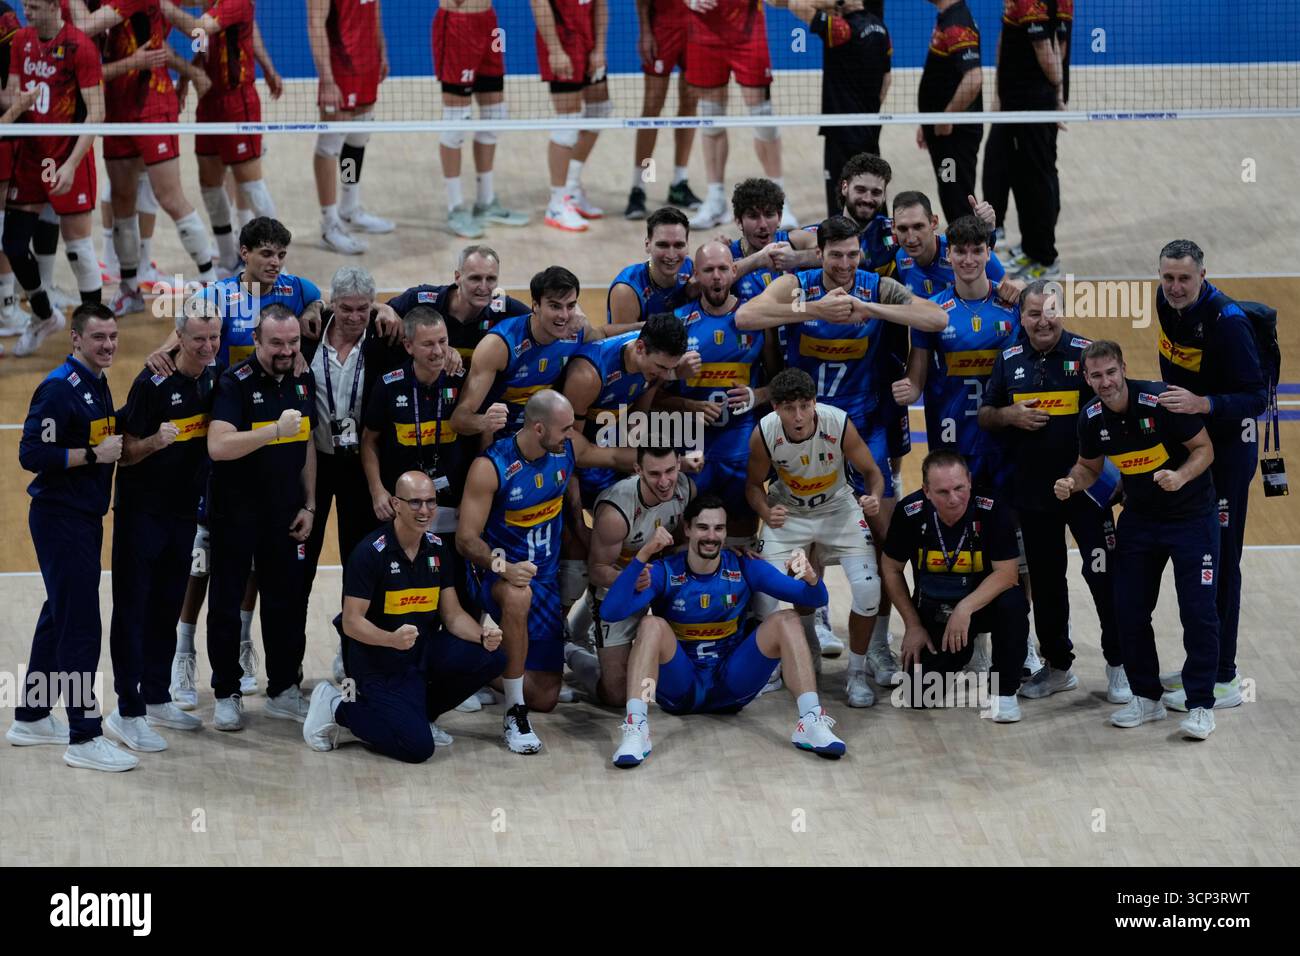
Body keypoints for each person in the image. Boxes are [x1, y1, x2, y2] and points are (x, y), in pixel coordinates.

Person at [739, 214, 945, 677]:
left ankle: (875, 645)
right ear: (821, 254)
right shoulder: (799, 284)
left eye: (853, 254)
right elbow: (745, 315)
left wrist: (872, 310)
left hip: (860, 423)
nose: (846, 263)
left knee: (881, 535)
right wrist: (815, 311)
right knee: (803, 538)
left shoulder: (874, 286)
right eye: (836, 255)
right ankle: (806, 640)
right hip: (799, 420)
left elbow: (935, 316)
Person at [603, 494, 847, 769]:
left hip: (732, 685)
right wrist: (643, 555)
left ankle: (810, 720)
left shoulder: (744, 565)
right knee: (650, 625)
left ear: (726, 532)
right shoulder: (664, 571)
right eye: (703, 528)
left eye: (719, 528)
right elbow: (610, 612)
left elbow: (816, 599)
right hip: (680, 688)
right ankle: (637, 727)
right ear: (687, 529)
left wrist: (812, 579)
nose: (711, 536)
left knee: (787, 619)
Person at [1057, 340, 1219, 740]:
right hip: (1140, 521)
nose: (1105, 381)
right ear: (1087, 378)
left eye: (1111, 372)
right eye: (1096, 375)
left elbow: (1204, 450)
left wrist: (1179, 477)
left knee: (1197, 612)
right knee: (1127, 609)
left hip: (1191, 519)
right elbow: (1088, 468)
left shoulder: (1161, 401)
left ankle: (1200, 705)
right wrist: (1071, 482)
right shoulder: (1091, 417)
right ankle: (1147, 698)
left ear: (1123, 368)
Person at [455, 389, 632, 754]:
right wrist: (504, 567)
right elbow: (466, 540)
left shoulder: (564, 449)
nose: (572, 434)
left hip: (546, 578)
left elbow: (611, 455)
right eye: (565, 428)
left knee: (546, 697)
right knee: (519, 595)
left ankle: (474, 665)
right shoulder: (492, 467)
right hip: (496, 573)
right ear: (538, 428)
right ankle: (514, 713)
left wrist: (659, 460)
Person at [979, 280, 1128, 703]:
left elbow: (1118, 410)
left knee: (1103, 577)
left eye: (1050, 311)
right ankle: (1059, 666)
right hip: (1034, 494)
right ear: (1020, 317)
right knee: (1046, 584)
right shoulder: (1008, 360)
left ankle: (1118, 665)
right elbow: (986, 416)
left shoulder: (1086, 355)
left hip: (1088, 491)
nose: (1043, 321)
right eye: (1033, 313)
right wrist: (1009, 414)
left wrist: (1122, 479)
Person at [304, 471, 508, 761]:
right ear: (396, 504)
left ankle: (421, 715)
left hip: (419, 652)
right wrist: (390, 639)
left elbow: (452, 616)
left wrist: (482, 635)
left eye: (430, 502)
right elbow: (351, 622)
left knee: (493, 656)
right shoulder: (370, 554)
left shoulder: (438, 549)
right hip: (376, 662)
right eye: (414, 503)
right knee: (418, 749)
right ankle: (338, 706)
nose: (424, 511)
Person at [9, 305, 133, 770]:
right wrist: (91, 455)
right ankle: (83, 736)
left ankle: (32, 716)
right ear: (76, 340)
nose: (108, 345)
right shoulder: (59, 389)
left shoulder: (96, 382)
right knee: (81, 625)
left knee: (58, 616)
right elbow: (30, 453)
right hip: (61, 519)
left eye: (114, 336)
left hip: (82, 518)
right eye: (98, 337)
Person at [1153, 240, 1266, 713]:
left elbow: (1255, 397)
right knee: (1200, 555)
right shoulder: (1165, 304)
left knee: (1222, 561)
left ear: (1204, 275)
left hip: (1228, 455)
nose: (1175, 288)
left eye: (1185, 278)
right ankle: (1204, 661)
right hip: (1193, 446)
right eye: (1168, 278)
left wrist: (1205, 405)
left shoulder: (1230, 324)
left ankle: (1223, 674)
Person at [106, 302, 222, 750]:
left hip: (183, 512)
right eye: (198, 338)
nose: (208, 346)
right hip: (142, 514)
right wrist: (155, 441)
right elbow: (126, 449)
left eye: (213, 337)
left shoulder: (212, 377)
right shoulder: (151, 381)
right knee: (133, 608)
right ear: (179, 338)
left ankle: (155, 696)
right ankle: (126, 710)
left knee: (168, 604)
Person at [204, 303, 317, 732]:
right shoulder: (235, 382)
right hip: (235, 512)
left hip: (286, 512)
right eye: (276, 343)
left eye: (292, 342)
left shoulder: (303, 379)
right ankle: (226, 691)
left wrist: (309, 505)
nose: (286, 350)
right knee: (227, 603)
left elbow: (306, 445)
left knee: (286, 601)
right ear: (256, 341)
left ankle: (285, 689)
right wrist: (274, 431)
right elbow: (219, 445)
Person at [744, 369, 886, 704]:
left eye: (805, 406)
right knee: (765, 594)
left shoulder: (837, 423)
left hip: (838, 507)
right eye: (789, 408)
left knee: (868, 589)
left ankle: (855, 673)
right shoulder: (764, 432)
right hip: (789, 511)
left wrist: (875, 497)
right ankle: (796, 654)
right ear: (775, 408)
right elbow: (752, 485)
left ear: (814, 404)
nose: (798, 416)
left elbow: (872, 472)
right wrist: (765, 511)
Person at [67, 0, 217, 317]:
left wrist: (191, 72)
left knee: (170, 196)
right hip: (116, 105)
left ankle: (212, 285)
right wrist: (189, 72)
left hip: (151, 103)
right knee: (122, 199)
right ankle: (129, 288)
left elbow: (84, 28)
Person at [880, 449, 1028, 721]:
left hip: (981, 605)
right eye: (943, 492)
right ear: (926, 491)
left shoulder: (992, 509)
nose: (954, 499)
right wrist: (912, 624)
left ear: (970, 481)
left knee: (1014, 603)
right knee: (917, 696)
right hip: (936, 608)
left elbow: (1007, 574)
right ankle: (965, 650)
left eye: (960, 488)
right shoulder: (910, 513)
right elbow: (890, 568)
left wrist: (965, 609)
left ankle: (1004, 692)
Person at [2, 0, 105, 358]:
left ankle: (97, 334)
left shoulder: (81, 47)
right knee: (13, 243)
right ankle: (44, 316)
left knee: (79, 249)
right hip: (31, 156)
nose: (25, 12)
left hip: (68, 156)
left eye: (33, 6)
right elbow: (15, 92)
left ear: (53, 6)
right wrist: (17, 102)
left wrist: (72, 164)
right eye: (24, 5)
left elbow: (97, 113)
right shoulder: (22, 41)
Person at [892, 215, 1019, 495]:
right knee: (957, 523)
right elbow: (917, 378)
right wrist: (907, 389)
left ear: (989, 252)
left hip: (1006, 436)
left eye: (977, 250)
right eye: (960, 251)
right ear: (948, 254)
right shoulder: (932, 310)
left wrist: (1026, 291)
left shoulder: (1014, 304)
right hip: (951, 436)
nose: (969, 259)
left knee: (1008, 527)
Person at [575, 447, 694, 706]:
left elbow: (686, 543)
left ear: (679, 465)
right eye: (654, 474)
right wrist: (628, 579)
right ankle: (570, 650)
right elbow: (596, 571)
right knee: (617, 695)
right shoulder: (615, 512)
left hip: (659, 583)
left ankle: (581, 626)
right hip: (620, 587)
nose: (664, 482)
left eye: (670, 471)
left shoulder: (686, 489)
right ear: (638, 470)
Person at [451, 265, 626, 441]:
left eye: (570, 305)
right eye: (555, 306)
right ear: (535, 305)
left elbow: (603, 335)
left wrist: (644, 327)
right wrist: (484, 422)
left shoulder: (577, 329)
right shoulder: (498, 345)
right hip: (502, 442)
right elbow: (459, 418)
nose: (564, 315)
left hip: (548, 437)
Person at [171, 0, 283, 275]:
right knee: (209, 183)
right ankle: (227, 256)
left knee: (251, 183)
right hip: (208, 100)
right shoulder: (210, 5)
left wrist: (160, 5)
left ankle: (277, 258)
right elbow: (204, 42)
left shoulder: (236, 2)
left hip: (237, 101)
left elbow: (198, 29)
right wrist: (186, 78)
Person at [666, 240, 766, 539]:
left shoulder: (758, 318)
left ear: (734, 271)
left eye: (724, 268)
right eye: (708, 270)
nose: (717, 276)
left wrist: (758, 395)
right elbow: (651, 398)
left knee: (741, 538)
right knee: (684, 537)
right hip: (691, 450)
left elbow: (782, 380)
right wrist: (688, 403)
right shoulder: (678, 322)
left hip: (740, 449)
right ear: (695, 275)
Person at [685, 0, 796, 231]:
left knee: (763, 117)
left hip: (747, 32)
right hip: (703, 33)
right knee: (711, 119)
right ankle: (716, 200)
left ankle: (779, 201)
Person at [563, 310, 689, 506]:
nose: (665, 376)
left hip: (611, 443)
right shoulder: (587, 376)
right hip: (583, 456)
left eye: (670, 369)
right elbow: (571, 450)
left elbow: (637, 419)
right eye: (661, 367)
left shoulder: (652, 359)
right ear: (640, 347)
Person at [362, 306, 468, 535]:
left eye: (443, 341)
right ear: (408, 346)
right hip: (401, 502)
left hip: (452, 500)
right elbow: (369, 441)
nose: (439, 351)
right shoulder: (389, 385)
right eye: (428, 344)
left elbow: (478, 442)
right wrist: (377, 490)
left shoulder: (461, 380)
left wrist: (470, 496)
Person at [431, 0, 528, 239]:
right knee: (456, 125)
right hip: (458, 23)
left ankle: (486, 202)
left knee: (495, 116)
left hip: (489, 22)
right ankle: (455, 208)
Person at [982, 0, 1064, 279]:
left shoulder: (1032, 4)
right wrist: (999, 93)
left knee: (1038, 182)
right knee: (1023, 179)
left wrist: (1057, 93)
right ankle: (1031, 250)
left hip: (1034, 107)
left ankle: (1046, 258)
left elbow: (1047, 48)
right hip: (1016, 106)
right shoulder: (1016, 4)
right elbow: (1005, 43)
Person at [789, 0, 892, 219]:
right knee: (873, 187)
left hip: (842, 131)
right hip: (870, 127)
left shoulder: (841, 30)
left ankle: (839, 240)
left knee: (842, 195)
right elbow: (886, 79)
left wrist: (833, 2)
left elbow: (795, 4)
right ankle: (882, 241)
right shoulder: (881, 27)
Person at [308, 0, 395, 255]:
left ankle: (349, 208)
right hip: (340, 68)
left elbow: (374, 11)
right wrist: (327, 78)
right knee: (329, 146)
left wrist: (382, 49)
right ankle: (329, 223)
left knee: (358, 138)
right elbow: (315, 23)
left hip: (367, 63)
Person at [386, 245, 531, 371]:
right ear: (457, 277)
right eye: (475, 278)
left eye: (491, 279)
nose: (484, 287)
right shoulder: (420, 299)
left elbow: (539, 322)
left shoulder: (505, 308)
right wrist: (382, 308)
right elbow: (372, 312)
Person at [533, 0, 609, 232]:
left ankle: (572, 187)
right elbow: (539, 4)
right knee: (568, 123)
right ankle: (557, 203)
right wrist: (555, 50)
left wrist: (599, 48)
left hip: (588, 39)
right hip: (562, 41)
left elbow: (601, 5)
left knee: (601, 109)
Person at [625, 0, 701, 219]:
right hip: (663, 30)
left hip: (697, 33)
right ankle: (639, 186)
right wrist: (645, 32)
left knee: (690, 105)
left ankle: (679, 182)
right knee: (652, 107)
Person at [917, 0, 985, 225]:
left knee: (957, 197)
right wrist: (926, 122)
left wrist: (947, 116)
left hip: (955, 136)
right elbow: (943, 78)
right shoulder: (948, 17)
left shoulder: (957, 22)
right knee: (949, 192)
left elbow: (974, 78)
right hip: (943, 132)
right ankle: (962, 246)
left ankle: (968, 251)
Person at [725, 178, 817, 306]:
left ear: (779, 218)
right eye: (753, 216)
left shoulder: (794, 240)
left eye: (769, 215)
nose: (763, 224)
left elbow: (840, 252)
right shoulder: (727, 253)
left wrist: (797, 258)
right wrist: (756, 260)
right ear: (739, 221)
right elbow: (700, 286)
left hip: (796, 321)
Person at [606, 206, 695, 325]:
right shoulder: (627, 290)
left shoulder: (690, 268)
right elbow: (624, 342)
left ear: (687, 246)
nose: (671, 255)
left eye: (679, 245)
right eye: (663, 245)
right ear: (648, 245)